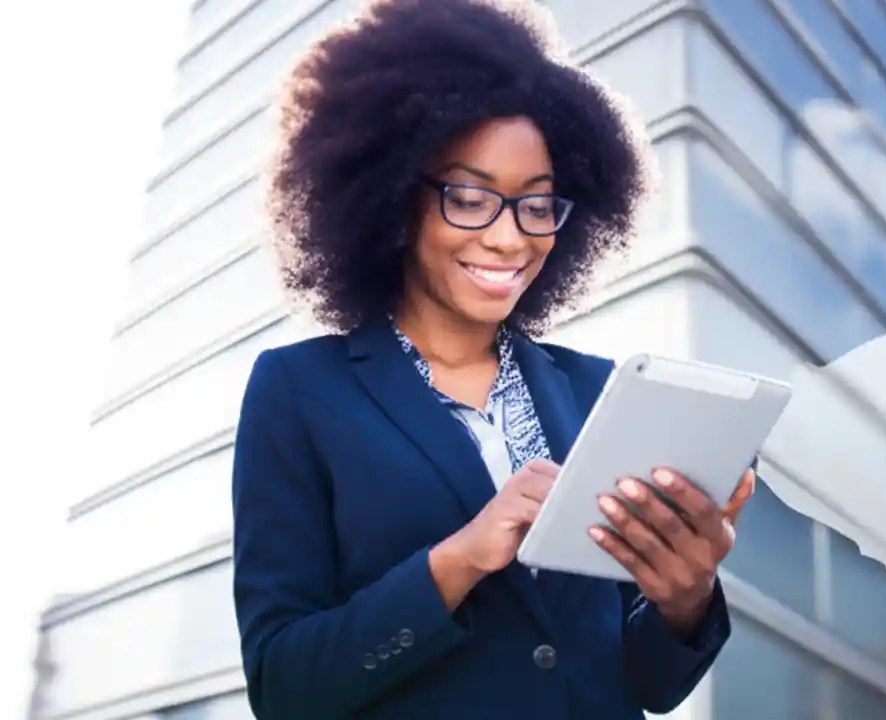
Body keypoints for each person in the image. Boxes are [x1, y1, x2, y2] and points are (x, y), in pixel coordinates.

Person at [229, 1, 755, 718]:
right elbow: (283, 686)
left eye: (537, 206)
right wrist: (460, 559)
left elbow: (651, 686)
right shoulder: (298, 390)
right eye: (471, 198)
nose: (510, 239)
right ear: (391, 198)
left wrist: (684, 594)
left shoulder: (596, 390)